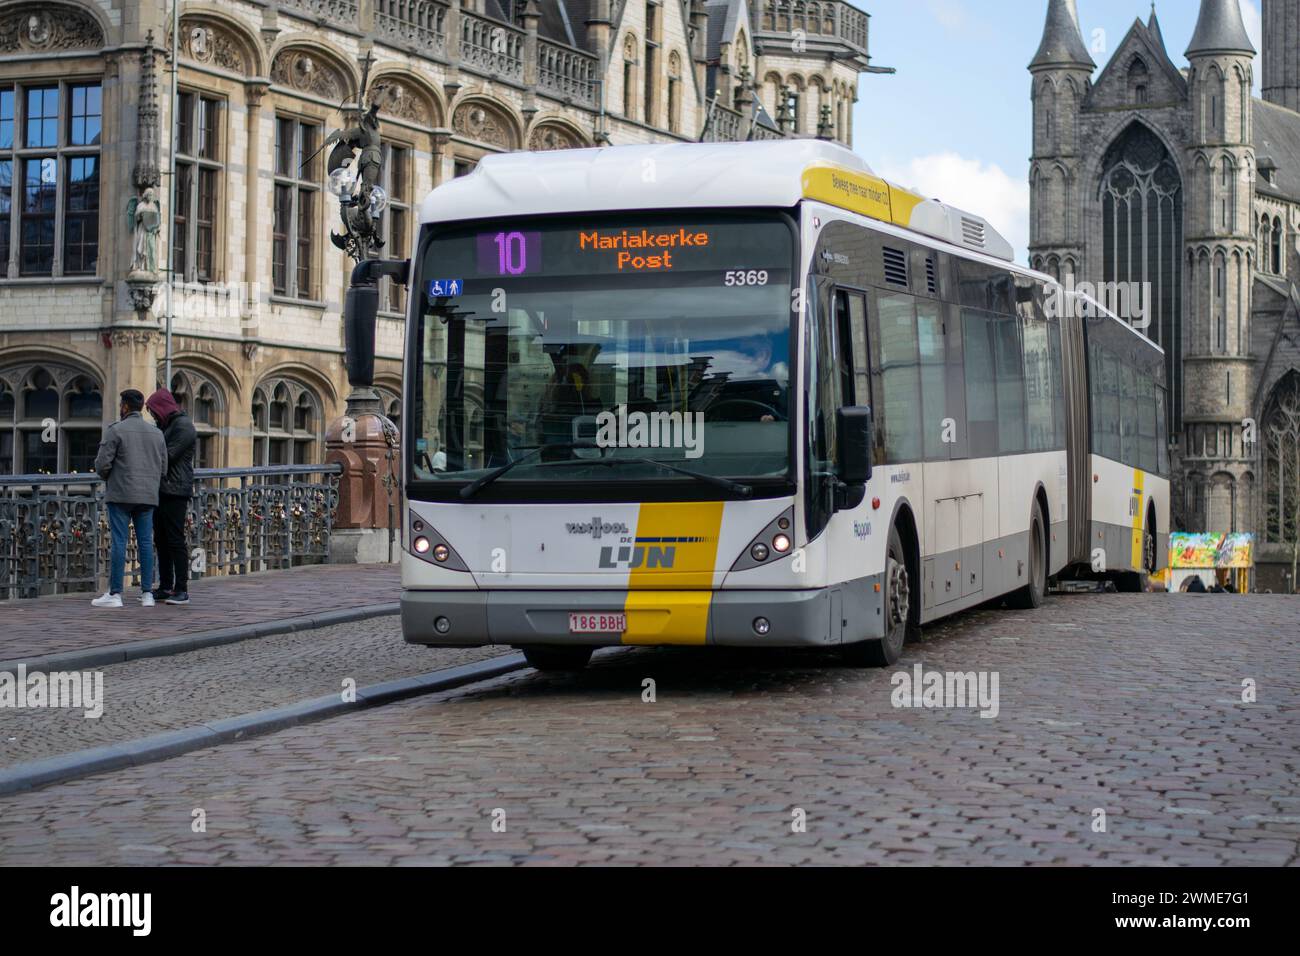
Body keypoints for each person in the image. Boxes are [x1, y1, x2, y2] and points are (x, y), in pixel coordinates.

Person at [91, 389, 167, 608]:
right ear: (142, 407)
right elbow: (163, 469)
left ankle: (115, 594)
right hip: (148, 495)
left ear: (125, 406)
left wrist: (111, 477)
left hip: (121, 494)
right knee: (145, 542)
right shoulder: (157, 434)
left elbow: (102, 464)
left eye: (121, 404)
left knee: (119, 541)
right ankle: (147, 594)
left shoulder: (116, 430)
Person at [146, 388, 197, 605]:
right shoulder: (167, 425)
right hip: (162, 489)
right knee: (161, 539)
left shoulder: (183, 426)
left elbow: (167, 455)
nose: (153, 416)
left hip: (176, 490)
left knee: (175, 540)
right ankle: (165, 586)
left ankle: (181, 589)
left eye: (154, 411)